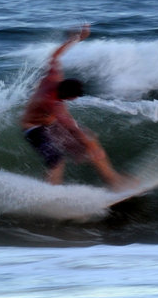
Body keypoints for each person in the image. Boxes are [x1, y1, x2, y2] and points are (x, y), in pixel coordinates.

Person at [21, 25, 130, 188]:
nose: (73, 100)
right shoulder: (52, 103)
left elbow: (55, 56)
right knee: (57, 160)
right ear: (66, 96)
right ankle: (48, 194)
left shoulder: (54, 77)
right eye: (73, 98)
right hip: (33, 128)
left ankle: (112, 179)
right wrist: (86, 145)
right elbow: (72, 127)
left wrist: (75, 38)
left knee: (91, 141)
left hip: (49, 123)